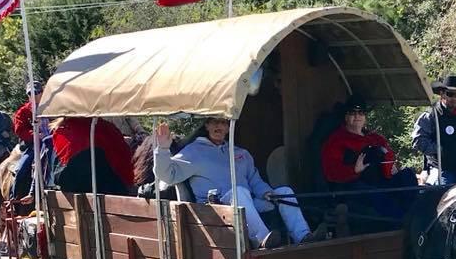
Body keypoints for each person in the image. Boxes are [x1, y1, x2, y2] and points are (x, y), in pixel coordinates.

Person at [152, 118, 323, 249]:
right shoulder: (194, 152)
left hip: (246, 203)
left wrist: (266, 192)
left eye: (223, 122)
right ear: (207, 126)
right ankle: (263, 240)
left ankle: (303, 236)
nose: (219, 126)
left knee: (284, 191)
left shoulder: (241, 153)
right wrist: (163, 149)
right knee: (239, 192)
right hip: (214, 209)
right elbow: (168, 175)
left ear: (229, 127)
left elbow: (254, 180)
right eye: (214, 122)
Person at [321, 94, 418, 223]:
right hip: (352, 184)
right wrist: (353, 170)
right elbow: (330, 172)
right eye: (352, 113)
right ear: (346, 116)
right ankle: (402, 221)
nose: (357, 116)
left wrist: (390, 166)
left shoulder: (376, 138)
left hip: (380, 180)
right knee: (374, 194)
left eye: (361, 113)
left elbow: (389, 156)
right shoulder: (336, 141)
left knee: (408, 175)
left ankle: (415, 215)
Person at [411, 74, 456, 185]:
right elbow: (418, 141)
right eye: (450, 94)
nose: (454, 98)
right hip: (442, 168)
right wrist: (440, 149)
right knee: (443, 191)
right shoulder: (430, 116)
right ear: (442, 94)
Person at [51, 117, 135, 196]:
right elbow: (126, 165)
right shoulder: (104, 129)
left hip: (71, 197)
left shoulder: (60, 131)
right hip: (107, 198)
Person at [11, 81, 52, 199]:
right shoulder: (23, 112)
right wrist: (34, 134)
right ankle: (14, 200)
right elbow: (19, 130)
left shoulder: (52, 107)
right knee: (21, 170)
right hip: (34, 145)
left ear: (42, 93)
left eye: (37, 92)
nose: (34, 96)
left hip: (54, 142)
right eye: (30, 93)